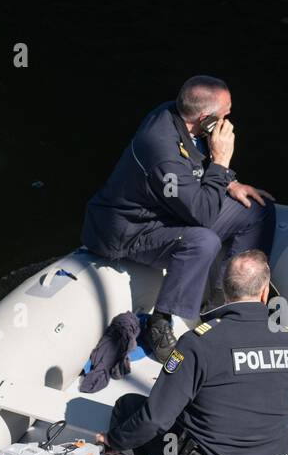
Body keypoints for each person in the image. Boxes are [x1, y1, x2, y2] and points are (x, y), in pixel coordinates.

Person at [81, 75, 276, 363]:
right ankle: (159, 324)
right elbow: (203, 214)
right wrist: (222, 161)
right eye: (226, 113)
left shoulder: (177, 114)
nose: (230, 117)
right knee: (203, 241)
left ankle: (222, 304)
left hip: (169, 209)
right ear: (206, 119)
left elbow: (197, 161)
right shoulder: (162, 151)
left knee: (256, 209)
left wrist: (230, 182)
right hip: (131, 230)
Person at [97, 250, 288, 455]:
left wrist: (114, 439)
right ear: (264, 292)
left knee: (129, 409)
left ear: (225, 291)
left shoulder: (199, 343)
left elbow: (154, 419)